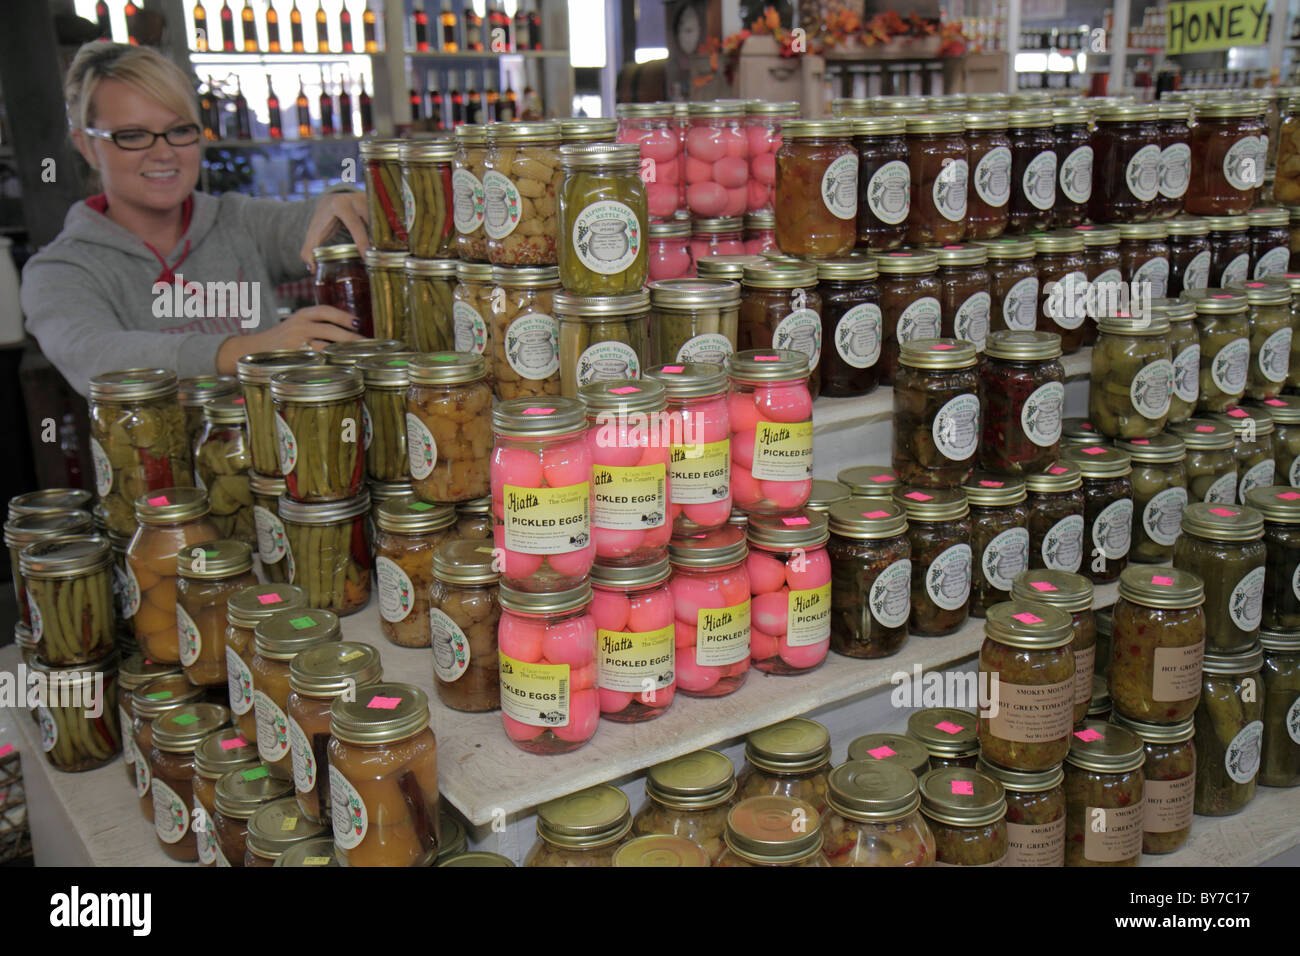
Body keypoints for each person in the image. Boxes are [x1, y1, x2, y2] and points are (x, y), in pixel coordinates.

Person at [21, 42, 371, 397]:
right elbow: (95, 356)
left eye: (179, 131)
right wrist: (252, 349)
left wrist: (340, 203)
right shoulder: (59, 270)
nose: (163, 153)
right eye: (132, 136)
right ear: (87, 146)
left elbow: (311, 224)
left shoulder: (237, 221)